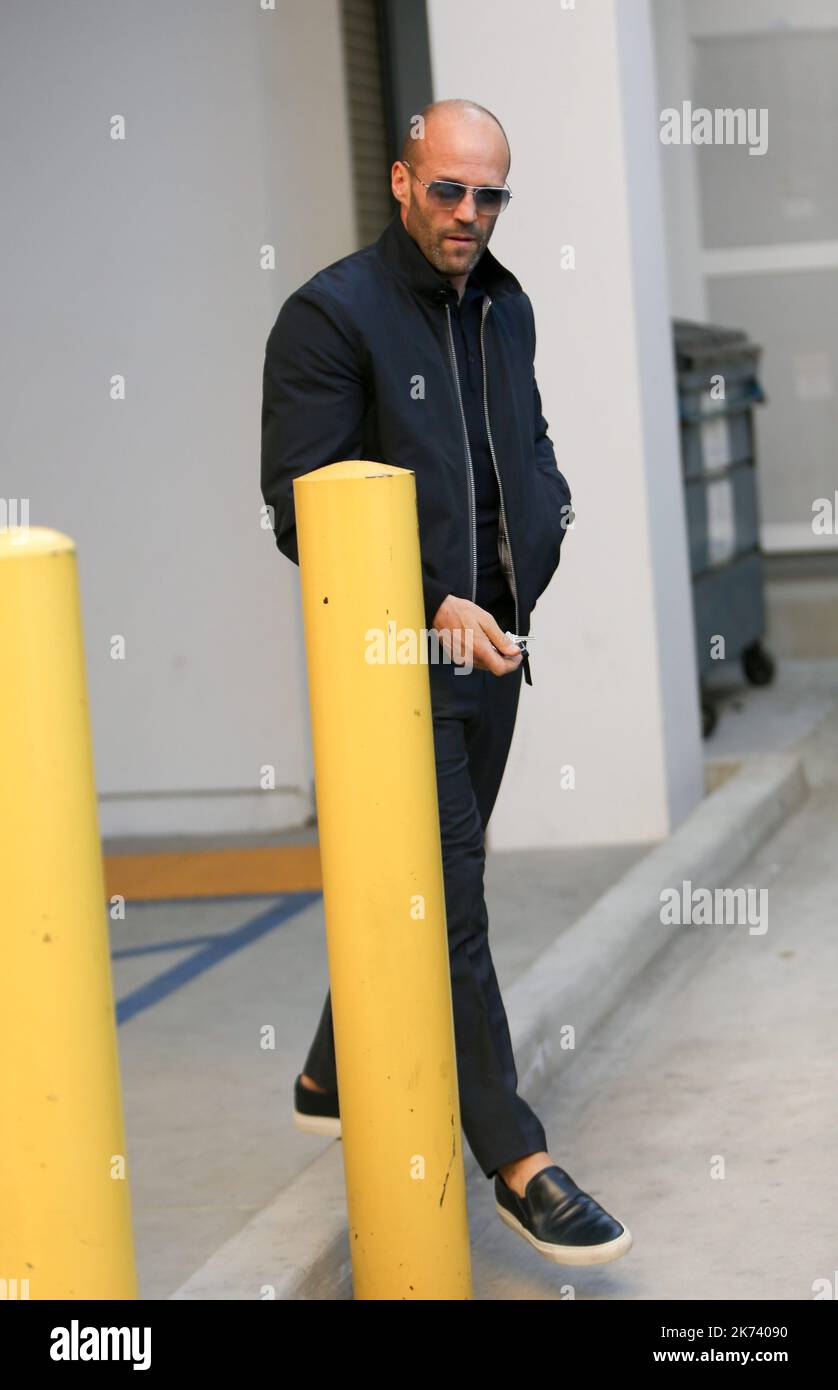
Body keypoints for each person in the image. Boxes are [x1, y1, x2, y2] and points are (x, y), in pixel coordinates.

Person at [260, 98, 630, 1265]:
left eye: (490, 195)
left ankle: (331, 1063)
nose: (469, 215)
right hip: (397, 666)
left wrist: (544, 531)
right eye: (450, 190)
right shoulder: (330, 317)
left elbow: (529, 445)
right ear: (402, 183)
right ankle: (520, 1158)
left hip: (496, 656)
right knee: (450, 904)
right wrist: (430, 612)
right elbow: (304, 512)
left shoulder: (503, 304)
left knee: (415, 877)